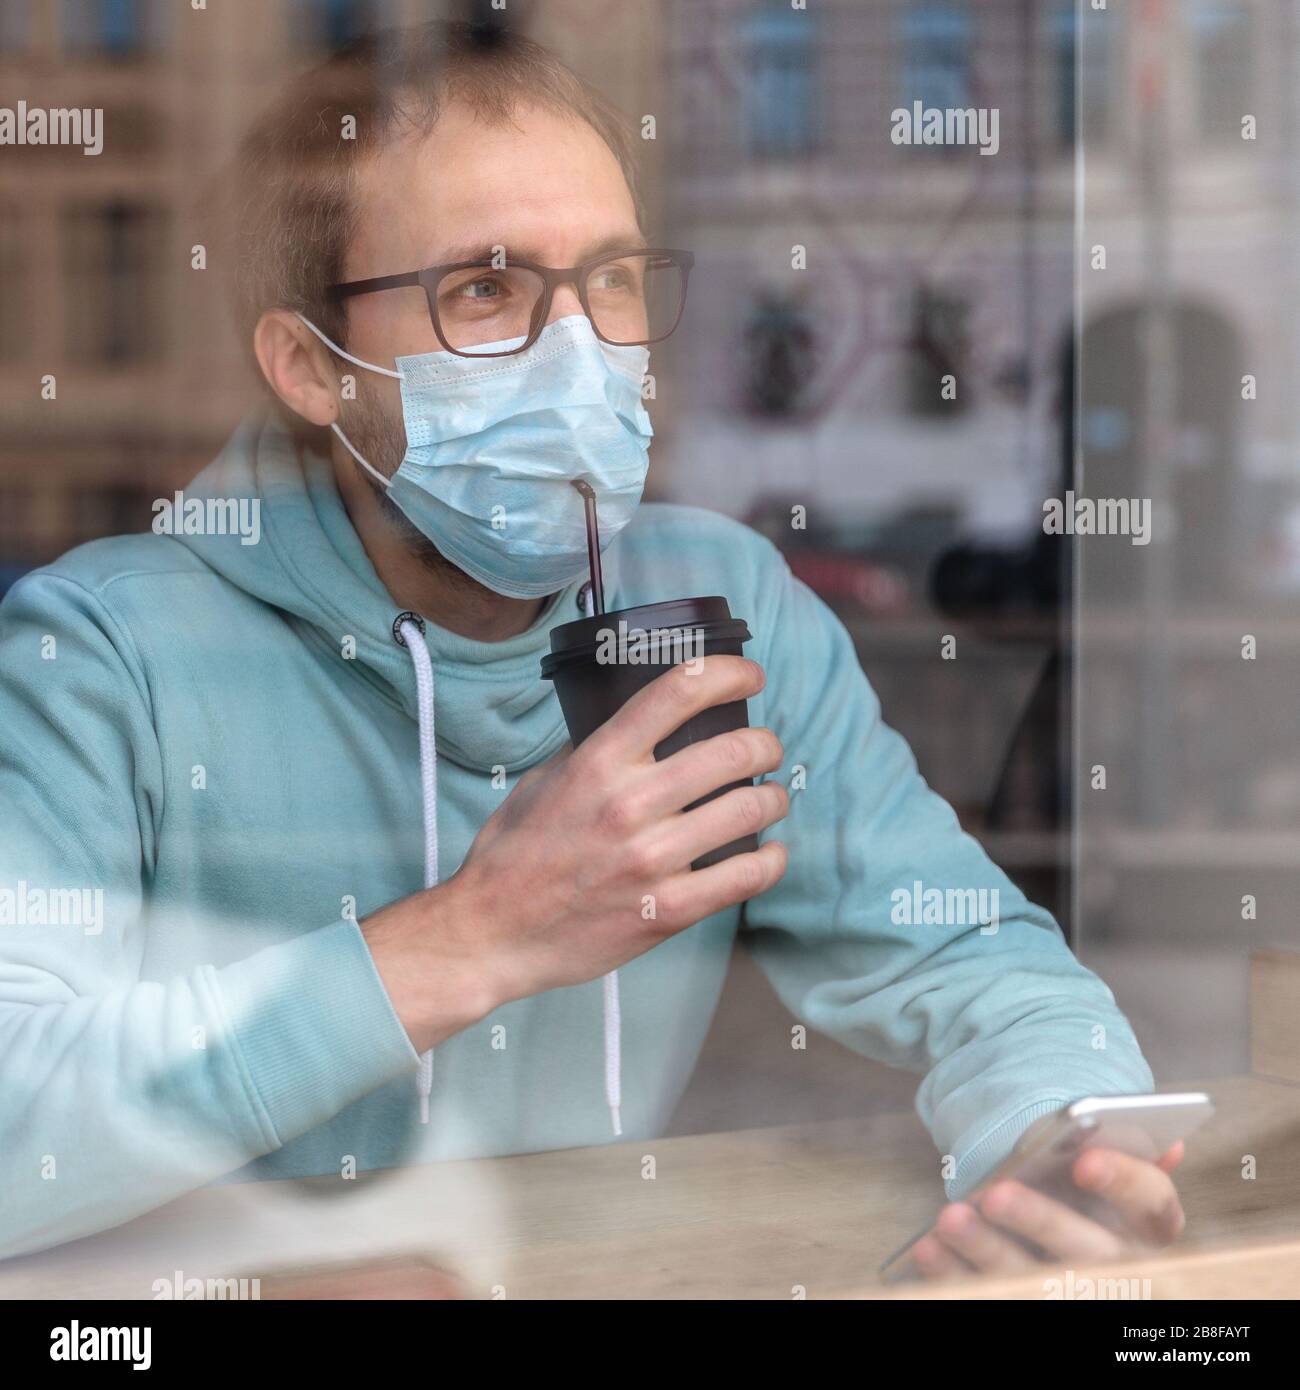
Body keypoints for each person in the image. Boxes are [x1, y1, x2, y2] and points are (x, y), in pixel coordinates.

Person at [0, 21, 1182, 1276]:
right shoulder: (102, 656)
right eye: (485, 289)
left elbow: (977, 964)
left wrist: (1062, 1154)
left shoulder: (722, 602)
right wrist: (475, 933)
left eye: (611, 278)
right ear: (309, 366)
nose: (580, 353)